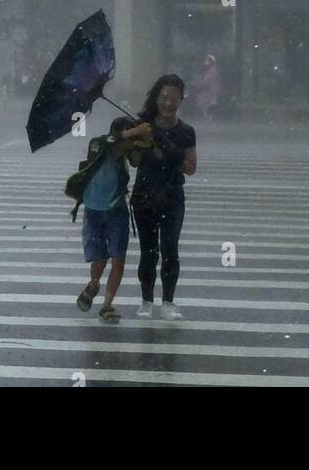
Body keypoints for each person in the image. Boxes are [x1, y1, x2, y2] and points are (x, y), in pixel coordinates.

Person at [130, 74, 197, 321]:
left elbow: (191, 167)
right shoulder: (143, 125)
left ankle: (168, 301)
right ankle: (146, 300)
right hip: (144, 196)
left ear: (181, 100)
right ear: (156, 98)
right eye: (164, 97)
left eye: (174, 98)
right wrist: (140, 138)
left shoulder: (187, 132)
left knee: (170, 249)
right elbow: (134, 161)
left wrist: (170, 150)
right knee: (148, 251)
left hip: (172, 197)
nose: (168, 103)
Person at [76, 115, 150, 323]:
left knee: (118, 258)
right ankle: (93, 284)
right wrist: (133, 132)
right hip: (94, 210)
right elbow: (104, 142)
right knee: (99, 258)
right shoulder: (98, 144)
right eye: (127, 138)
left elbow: (138, 161)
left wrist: (142, 142)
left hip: (116, 210)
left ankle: (107, 304)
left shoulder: (125, 157)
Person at [192, 54, 219, 121]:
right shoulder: (209, 71)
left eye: (207, 61)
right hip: (209, 93)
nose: (205, 62)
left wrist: (197, 84)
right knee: (207, 107)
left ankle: (209, 120)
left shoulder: (212, 71)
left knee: (207, 107)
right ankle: (208, 120)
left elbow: (205, 82)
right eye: (206, 60)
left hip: (209, 93)